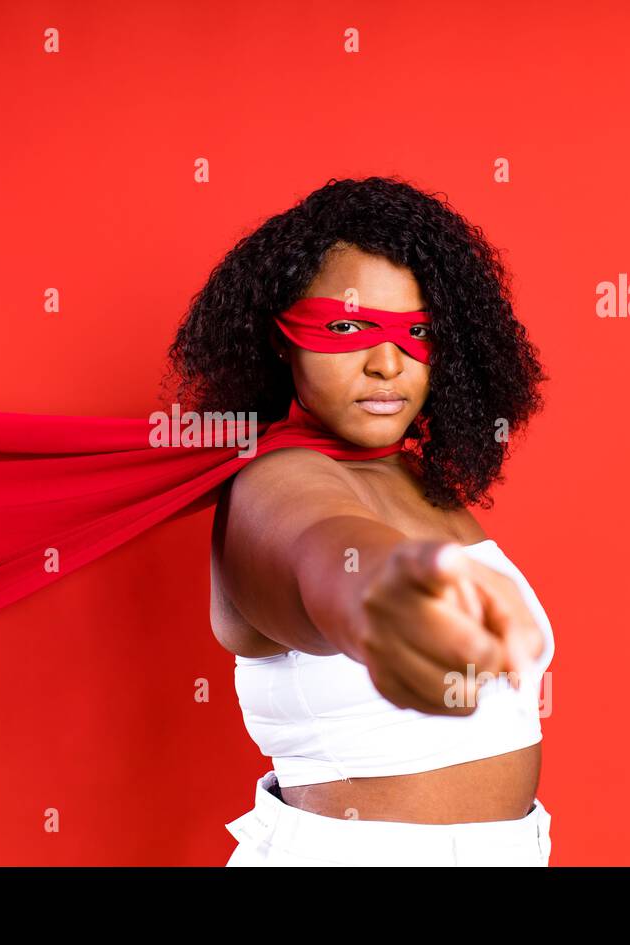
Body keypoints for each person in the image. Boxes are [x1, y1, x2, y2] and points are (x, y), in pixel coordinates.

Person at [163, 176, 556, 865]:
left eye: (418, 332)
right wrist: (391, 600)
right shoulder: (275, 481)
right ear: (280, 339)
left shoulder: (413, 481)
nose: (385, 363)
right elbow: (330, 553)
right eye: (346, 327)